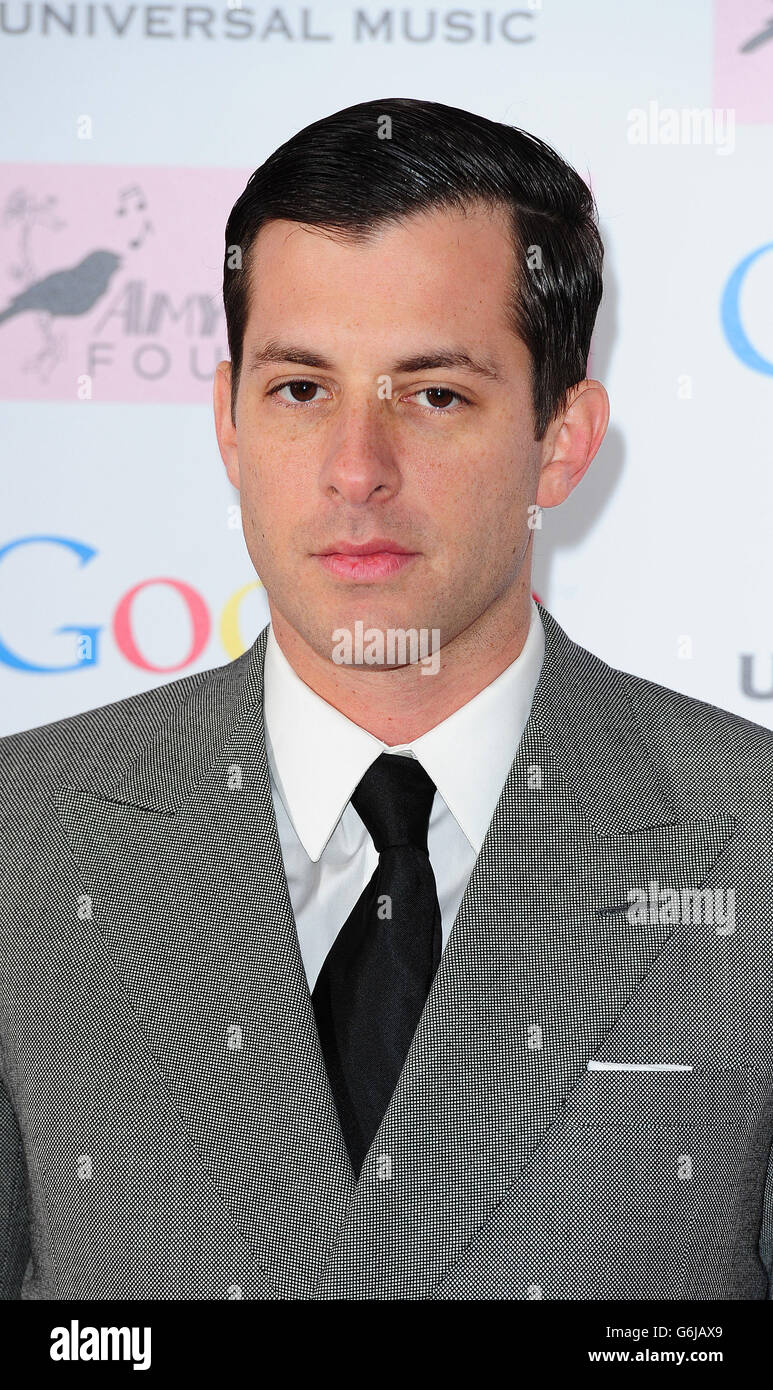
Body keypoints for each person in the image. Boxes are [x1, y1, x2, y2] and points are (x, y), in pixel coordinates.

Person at [1, 97, 771, 1302]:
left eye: (435, 395)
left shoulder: (752, 845)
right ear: (228, 425)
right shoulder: (23, 841)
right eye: (300, 390)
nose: (356, 469)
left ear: (560, 441)